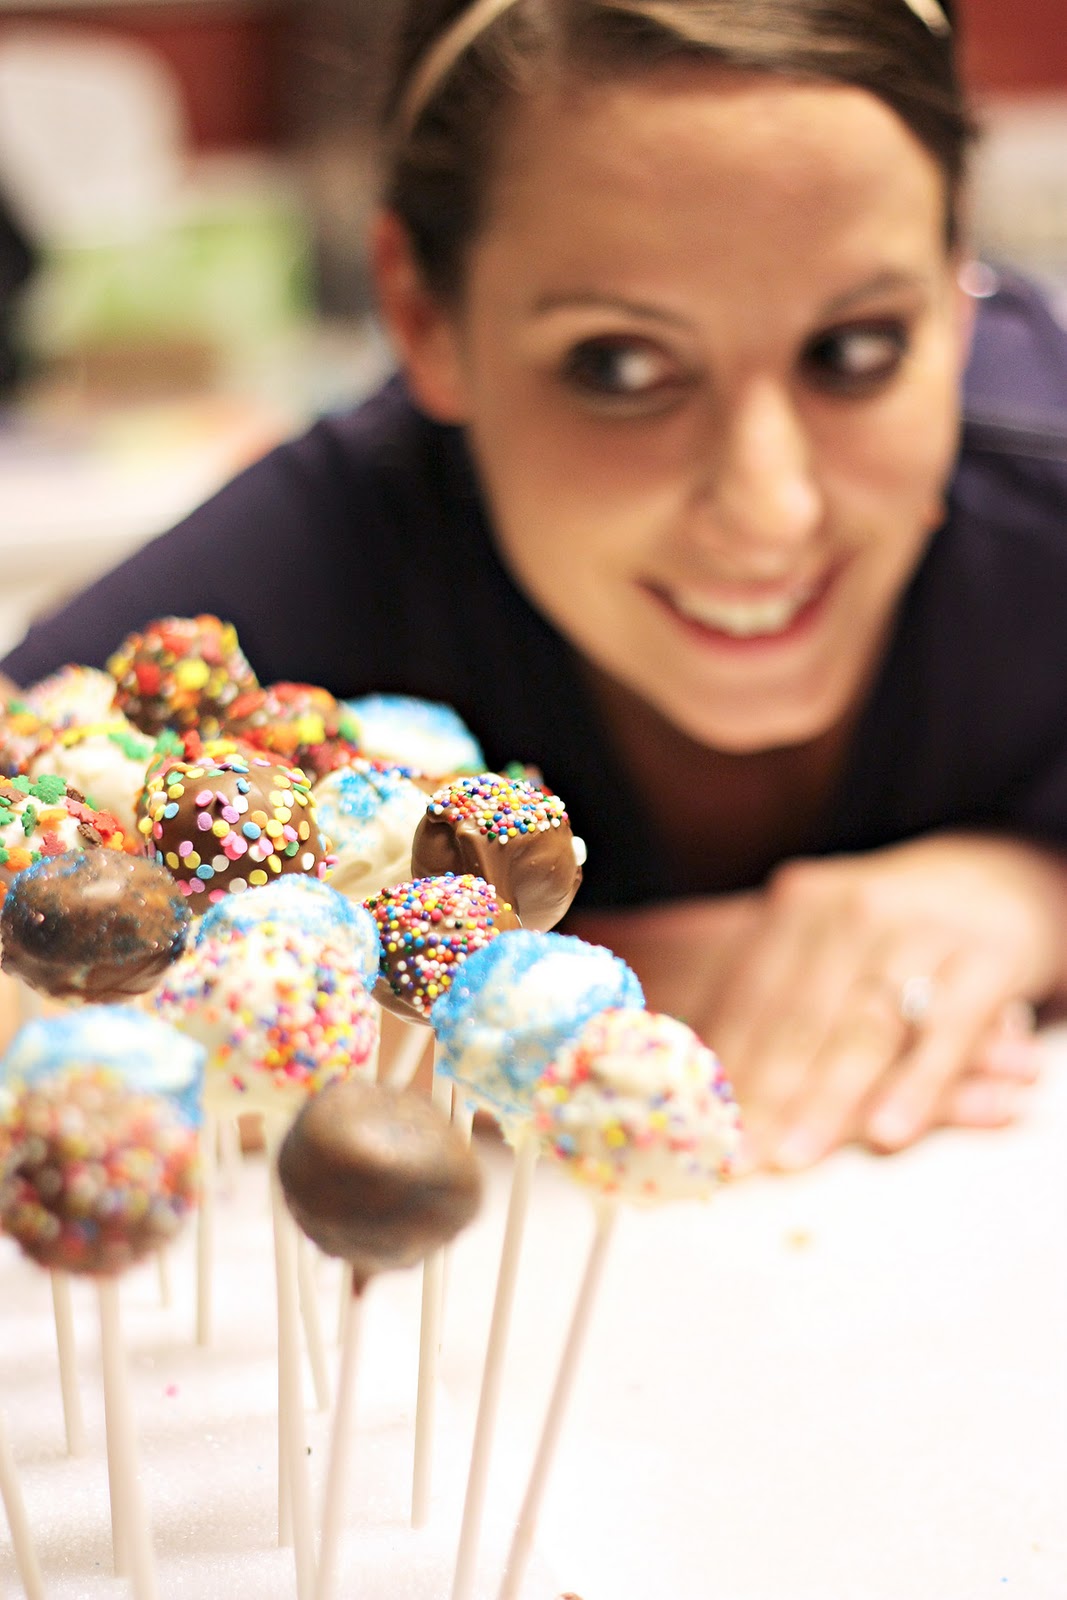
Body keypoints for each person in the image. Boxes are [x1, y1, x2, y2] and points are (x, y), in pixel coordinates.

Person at [4, 0, 1067, 1171]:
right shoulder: (350, 538)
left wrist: (1029, 890)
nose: (770, 507)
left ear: (957, 268)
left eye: (855, 349)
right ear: (423, 314)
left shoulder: (1042, 482)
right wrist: (504, 969)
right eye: (617, 366)